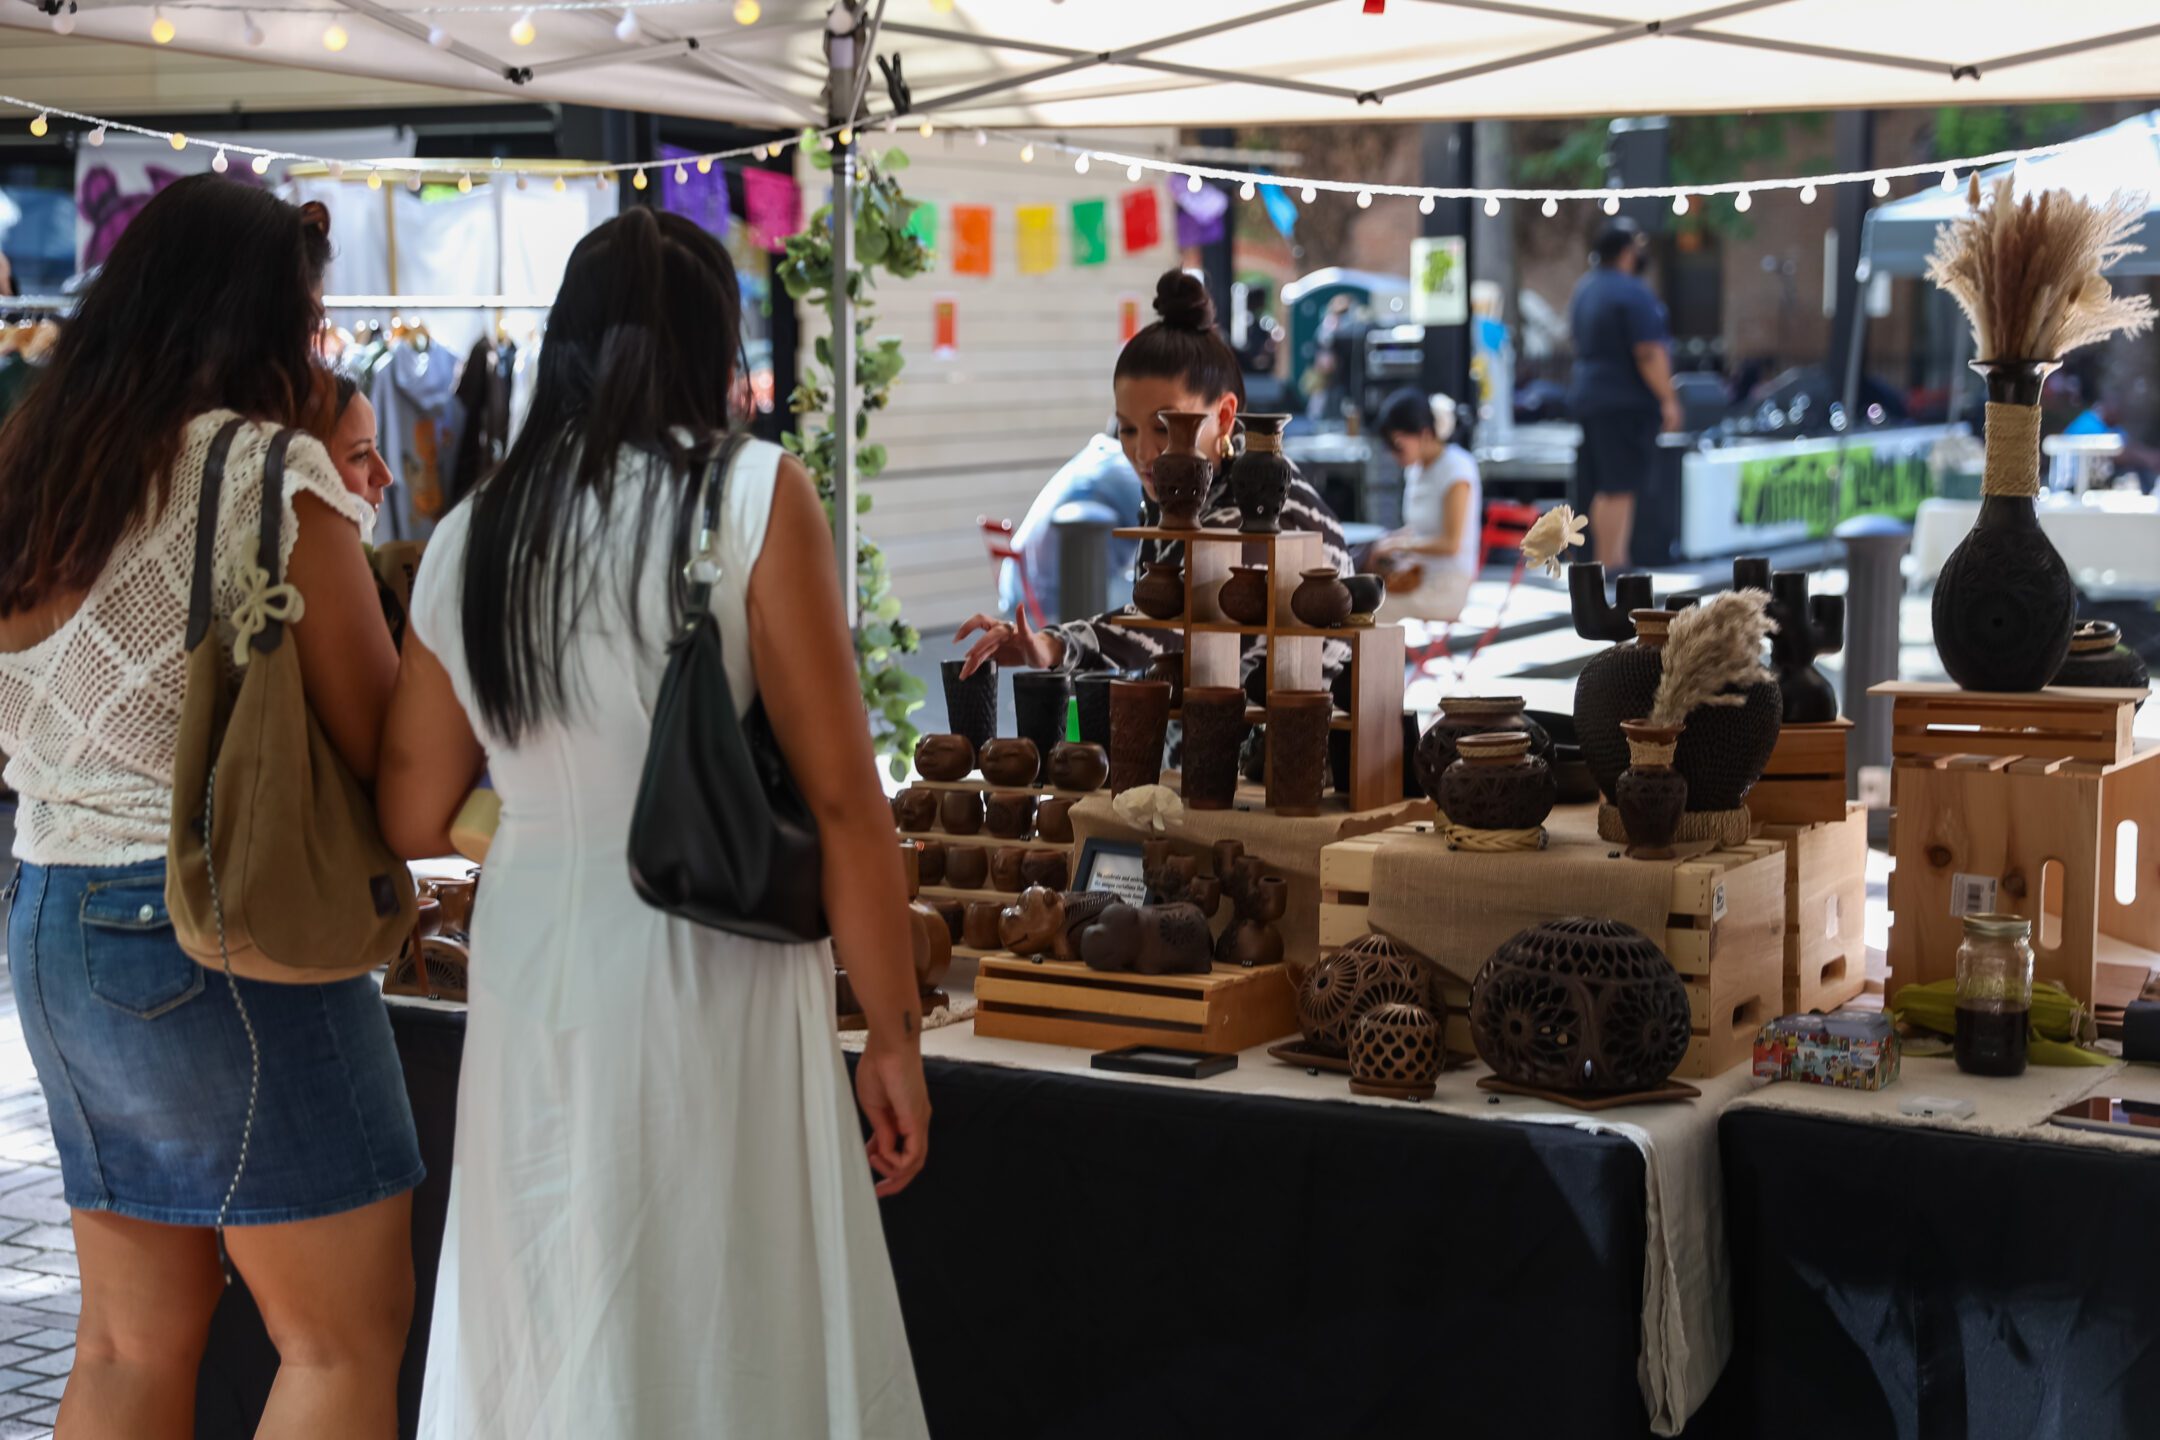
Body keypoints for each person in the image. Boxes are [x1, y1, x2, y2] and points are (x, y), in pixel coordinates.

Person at [374, 207, 930, 1439]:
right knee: (722, 1289)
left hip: (533, 956)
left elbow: (410, 807)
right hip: (707, 949)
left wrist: (540, 801)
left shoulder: (473, 532)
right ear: (713, 345)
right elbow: (846, 801)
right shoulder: (748, 493)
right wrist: (891, 1037)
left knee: (556, 1281)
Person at [0, 176, 420, 1439]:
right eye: (310, 318)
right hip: (214, 928)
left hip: (48, 916)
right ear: (264, 321)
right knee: (339, 1343)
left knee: (128, 1344)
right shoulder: (262, 467)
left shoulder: (34, 463)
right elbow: (382, 746)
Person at [955, 269, 1350, 695]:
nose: (1143, 453)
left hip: (1283, 751)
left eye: (1164, 428)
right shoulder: (1188, 492)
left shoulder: (1262, 505)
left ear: (1223, 416)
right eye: (1127, 430)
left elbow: (1171, 622)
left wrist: (1052, 644)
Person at [1567, 217, 1682, 569]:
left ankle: (1611, 561)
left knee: (1605, 485)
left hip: (1591, 398)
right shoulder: (1631, 292)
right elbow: (1648, 351)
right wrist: (1668, 398)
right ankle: (1610, 564)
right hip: (1624, 403)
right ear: (1627, 251)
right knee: (1618, 487)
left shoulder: (1585, 289)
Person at [997, 423, 1145, 619]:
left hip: (1019, 589)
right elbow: (1163, 525)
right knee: (1165, 600)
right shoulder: (1119, 465)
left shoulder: (1093, 457)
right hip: (1053, 600)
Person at [1368, 388, 1483, 624]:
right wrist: (1386, 542)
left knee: (1366, 609)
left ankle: (1369, 661)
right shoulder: (1416, 469)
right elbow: (1417, 530)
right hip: (1415, 575)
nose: (1392, 453)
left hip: (1445, 586)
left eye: (1397, 444)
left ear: (1425, 434)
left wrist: (1398, 544)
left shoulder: (1457, 468)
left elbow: (1451, 544)